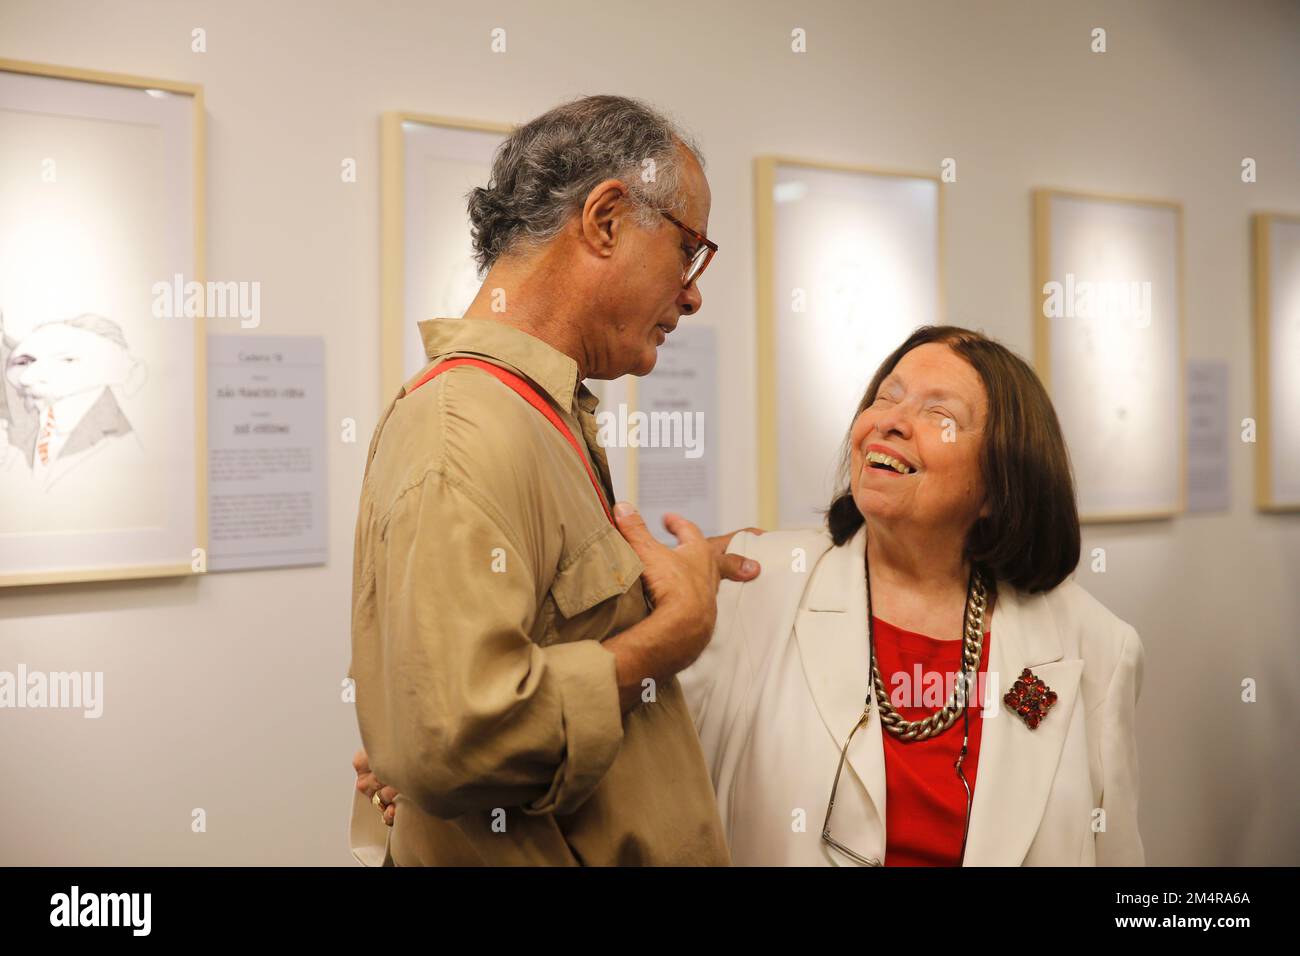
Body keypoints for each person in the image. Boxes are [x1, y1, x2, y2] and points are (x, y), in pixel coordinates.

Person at [347, 94, 757, 866]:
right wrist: (662, 643)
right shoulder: (463, 431)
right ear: (604, 219)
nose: (694, 292)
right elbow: (452, 737)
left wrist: (673, 580)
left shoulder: (533, 411)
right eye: (689, 250)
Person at [656, 325, 1145, 866]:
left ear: (1001, 482)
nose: (889, 420)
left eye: (941, 415)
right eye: (886, 396)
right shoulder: (752, 587)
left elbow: (1116, 853)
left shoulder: (1096, 646)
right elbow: (646, 789)